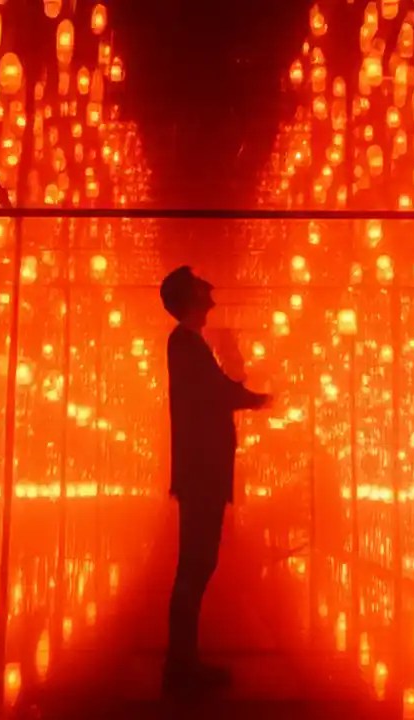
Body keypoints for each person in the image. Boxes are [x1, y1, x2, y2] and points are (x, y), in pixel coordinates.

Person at [159, 266, 271, 695]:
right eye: (205, 289)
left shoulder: (190, 345)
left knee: (198, 564)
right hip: (201, 473)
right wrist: (258, 400)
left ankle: (184, 661)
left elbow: (219, 387)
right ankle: (181, 666)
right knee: (195, 564)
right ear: (191, 299)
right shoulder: (185, 345)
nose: (213, 295)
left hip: (202, 472)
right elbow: (217, 392)